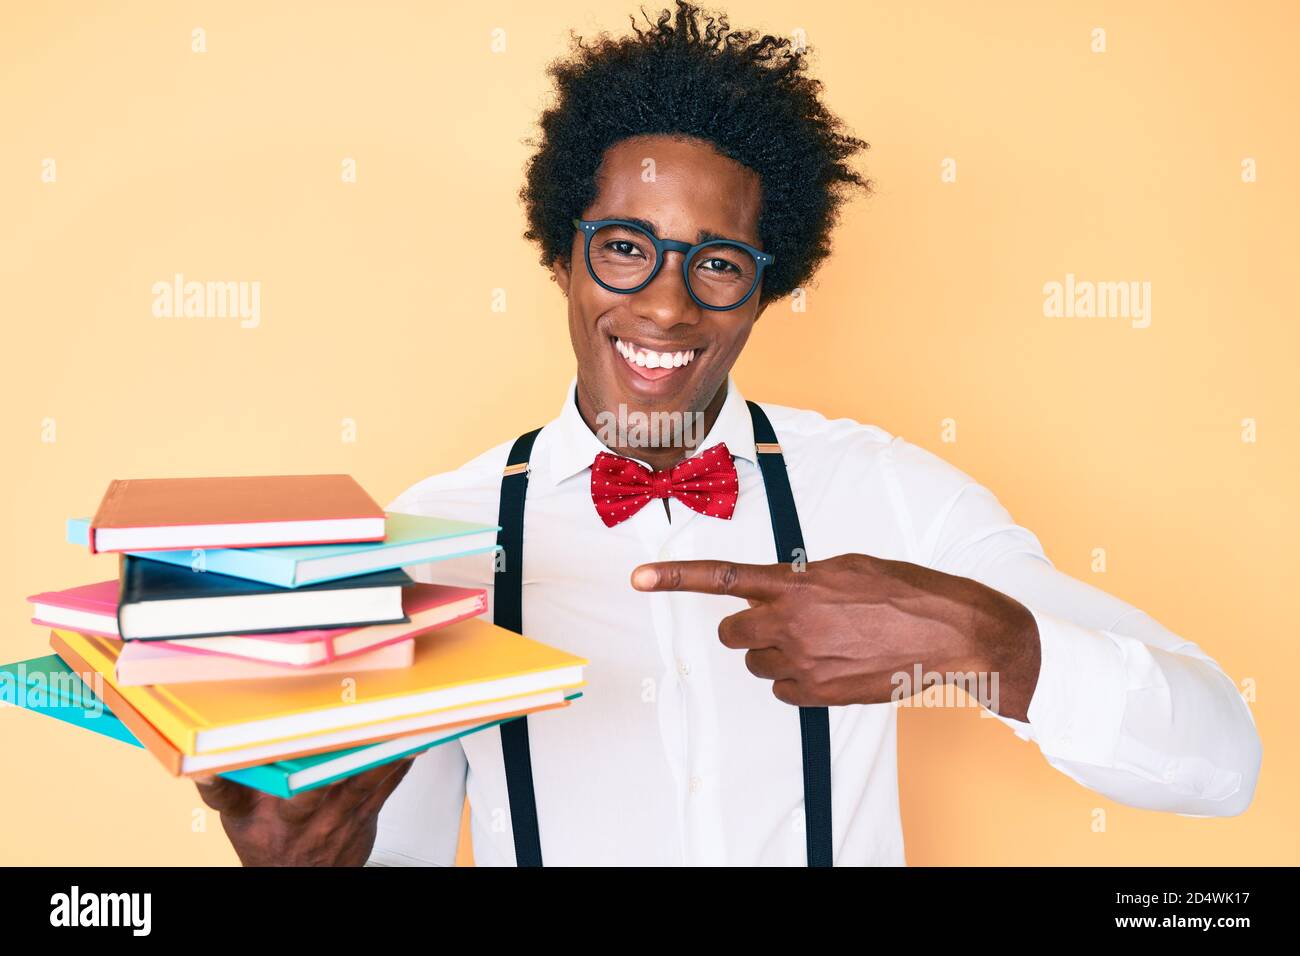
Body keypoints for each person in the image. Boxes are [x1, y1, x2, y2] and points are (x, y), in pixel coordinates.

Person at [195, 0, 1261, 866]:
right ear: (562, 258)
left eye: (715, 262)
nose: (664, 307)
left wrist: (999, 651)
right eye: (624, 247)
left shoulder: (888, 491)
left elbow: (1224, 762)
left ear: (765, 286)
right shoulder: (434, 535)